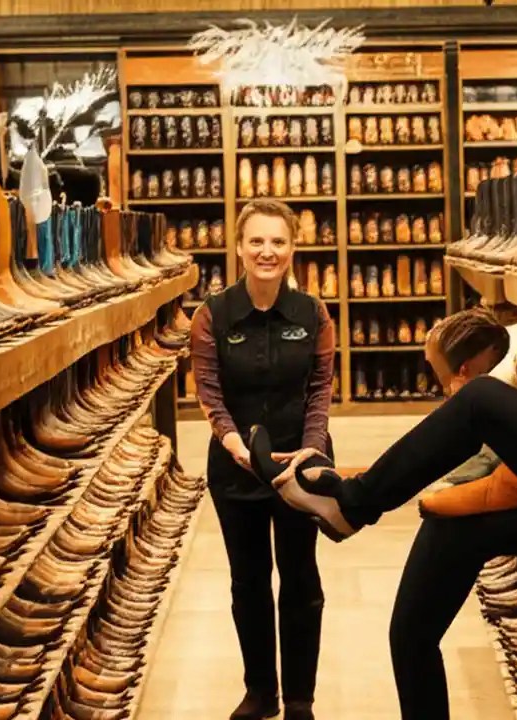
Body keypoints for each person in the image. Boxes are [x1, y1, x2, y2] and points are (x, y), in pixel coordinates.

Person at [251, 308, 517, 720]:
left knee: (478, 400)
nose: (444, 387)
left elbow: (506, 486)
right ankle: (351, 499)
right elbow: (484, 473)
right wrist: (346, 475)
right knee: (412, 628)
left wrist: (432, 500)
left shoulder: (506, 374)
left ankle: (353, 502)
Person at [189, 199, 336, 720]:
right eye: (256, 241)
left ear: (292, 249)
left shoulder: (313, 313)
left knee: (300, 579)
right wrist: (234, 444)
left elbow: (321, 388)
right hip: (236, 467)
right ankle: (260, 692)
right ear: (238, 247)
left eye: (278, 241)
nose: (266, 251)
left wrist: (313, 446)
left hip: (302, 464)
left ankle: (299, 698)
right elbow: (208, 390)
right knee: (248, 581)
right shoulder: (213, 313)